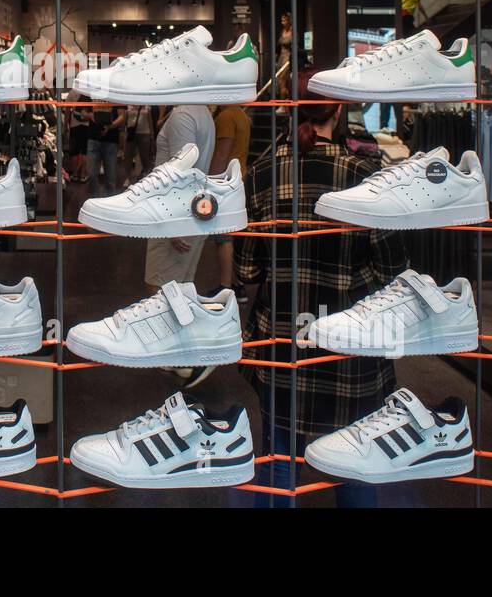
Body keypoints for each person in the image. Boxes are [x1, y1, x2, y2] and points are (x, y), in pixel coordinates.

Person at [235, 72, 408, 507]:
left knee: (278, 462)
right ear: (339, 109)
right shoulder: (366, 174)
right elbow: (393, 268)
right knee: (355, 463)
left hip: (282, 337)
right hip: (350, 341)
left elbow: (247, 268)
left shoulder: (262, 173)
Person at [143, 104, 215, 288]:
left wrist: (172, 222)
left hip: (177, 215)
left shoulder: (183, 114)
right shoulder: (200, 112)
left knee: (160, 291)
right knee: (179, 290)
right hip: (189, 211)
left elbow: (182, 173)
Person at [210, 103, 251, 298]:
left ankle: (225, 286)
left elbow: (221, 154)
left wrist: (209, 183)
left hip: (225, 182)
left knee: (223, 236)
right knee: (233, 235)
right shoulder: (241, 114)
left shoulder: (226, 116)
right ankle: (237, 283)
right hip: (239, 178)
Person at [84, 103, 123, 198]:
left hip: (111, 140)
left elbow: (123, 115)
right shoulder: (91, 92)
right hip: (93, 138)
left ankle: (108, 206)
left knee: (110, 178)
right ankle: (94, 203)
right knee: (91, 174)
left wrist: (110, 126)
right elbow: (82, 112)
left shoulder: (116, 92)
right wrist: (90, 115)